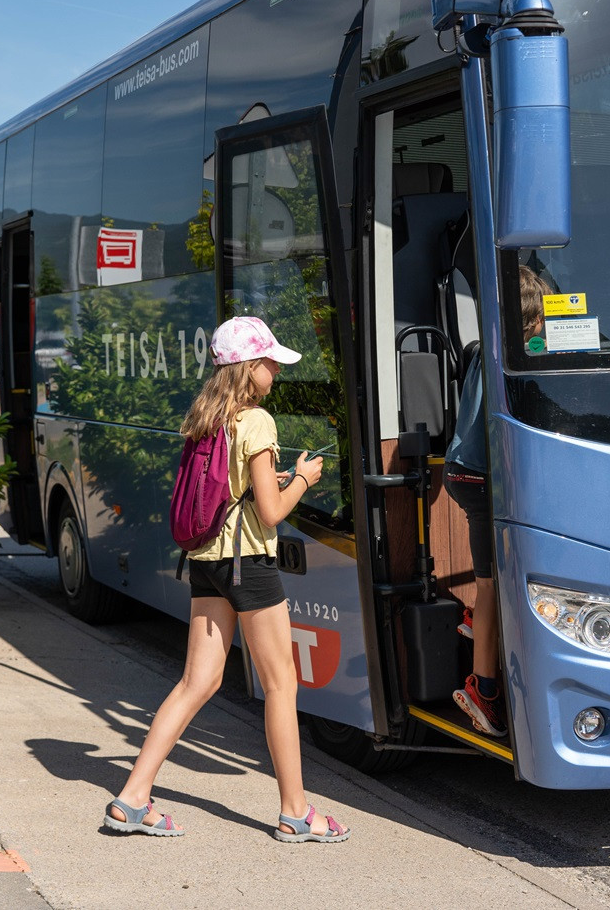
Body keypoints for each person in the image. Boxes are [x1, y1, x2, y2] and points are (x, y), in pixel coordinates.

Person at [104, 316, 349, 843]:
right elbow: (270, 512)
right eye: (268, 364)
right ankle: (296, 812)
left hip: (207, 561)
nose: (274, 373)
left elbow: (229, 489)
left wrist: (273, 481)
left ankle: (132, 797)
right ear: (247, 367)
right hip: (249, 565)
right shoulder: (256, 422)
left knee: (198, 681)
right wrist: (302, 479)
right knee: (282, 683)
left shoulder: (205, 417)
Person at [449, 265, 546, 739]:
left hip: (464, 473)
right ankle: (484, 690)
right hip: (482, 477)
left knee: (491, 581)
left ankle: (474, 623)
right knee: (489, 586)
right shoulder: (521, 351)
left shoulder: (486, 345)